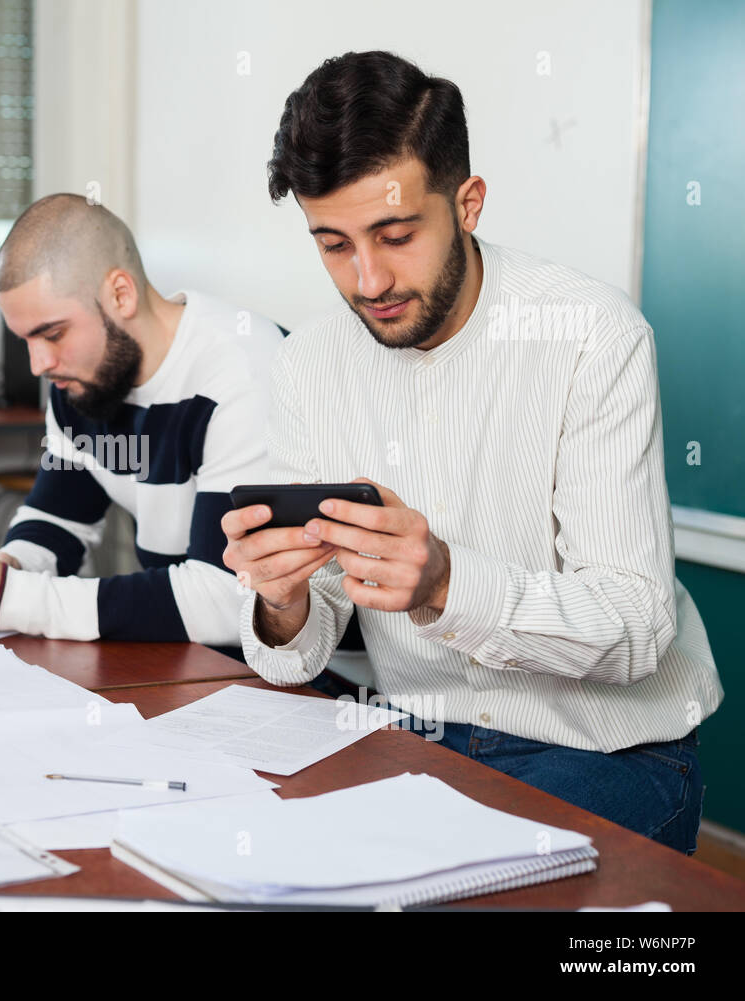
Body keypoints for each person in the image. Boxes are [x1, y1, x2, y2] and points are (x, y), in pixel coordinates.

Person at [221, 50, 723, 853]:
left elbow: (637, 625)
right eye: (333, 245)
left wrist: (449, 581)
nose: (369, 279)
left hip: (607, 748)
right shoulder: (310, 363)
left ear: (468, 203)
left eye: (395, 234)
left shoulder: (594, 336)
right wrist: (282, 604)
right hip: (414, 734)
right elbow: (298, 650)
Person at [0, 194, 284, 653]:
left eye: (52, 333)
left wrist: (15, 598)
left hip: (295, 669)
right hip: (187, 651)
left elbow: (233, 599)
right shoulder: (81, 381)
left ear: (120, 294)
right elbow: (58, 520)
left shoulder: (246, 369)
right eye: (25, 340)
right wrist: (5, 569)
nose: (39, 364)